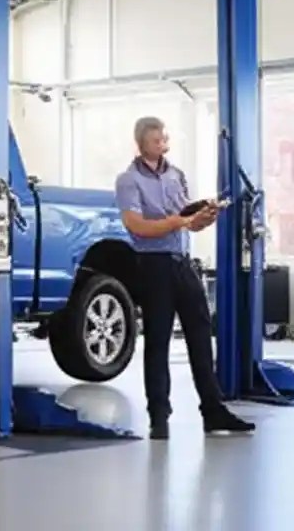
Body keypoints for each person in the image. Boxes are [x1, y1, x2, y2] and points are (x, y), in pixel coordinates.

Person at [114, 116, 255, 439]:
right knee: (158, 341)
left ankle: (213, 410)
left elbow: (188, 223)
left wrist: (203, 216)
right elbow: (137, 225)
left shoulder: (177, 176)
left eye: (165, 139)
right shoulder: (128, 180)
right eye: (155, 141)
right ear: (141, 144)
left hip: (182, 263)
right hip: (152, 266)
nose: (163, 145)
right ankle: (159, 417)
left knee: (201, 334)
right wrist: (179, 221)